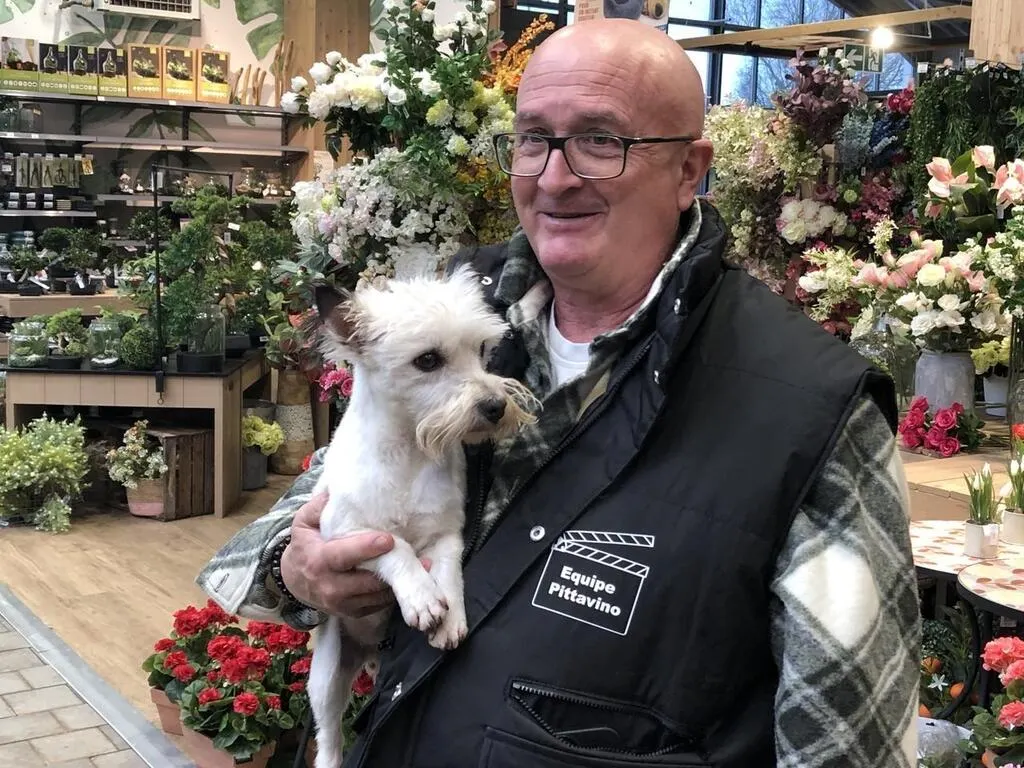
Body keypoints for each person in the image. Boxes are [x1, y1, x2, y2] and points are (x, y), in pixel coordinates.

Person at [198, 18, 920, 768]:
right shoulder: (449, 318)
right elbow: (308, 511)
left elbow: (850, 740)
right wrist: (300, 566)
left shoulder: (811, 408)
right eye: (532, 138)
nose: (553, 175)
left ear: (688, 169)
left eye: (602, 140)